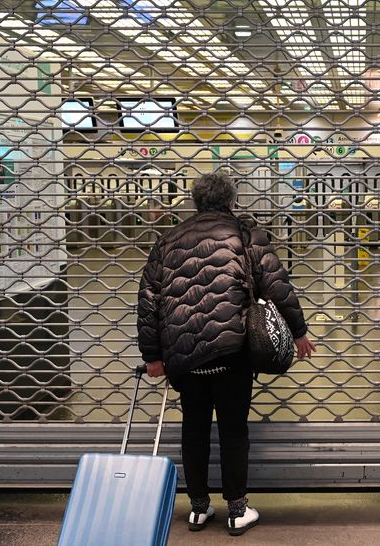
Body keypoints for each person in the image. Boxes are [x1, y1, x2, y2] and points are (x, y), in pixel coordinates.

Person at [137, 172, 316, 537]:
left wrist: (153, 355)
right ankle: (237, 510)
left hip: (184, 355)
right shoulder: (246, 234)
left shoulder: (167, 240)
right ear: (231, 202)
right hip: (232, 351)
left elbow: (148, 300)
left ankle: (199, 509)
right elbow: (277, 285)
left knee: (194, 430)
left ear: (196, 202)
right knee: (234, 431)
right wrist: (298, 332)